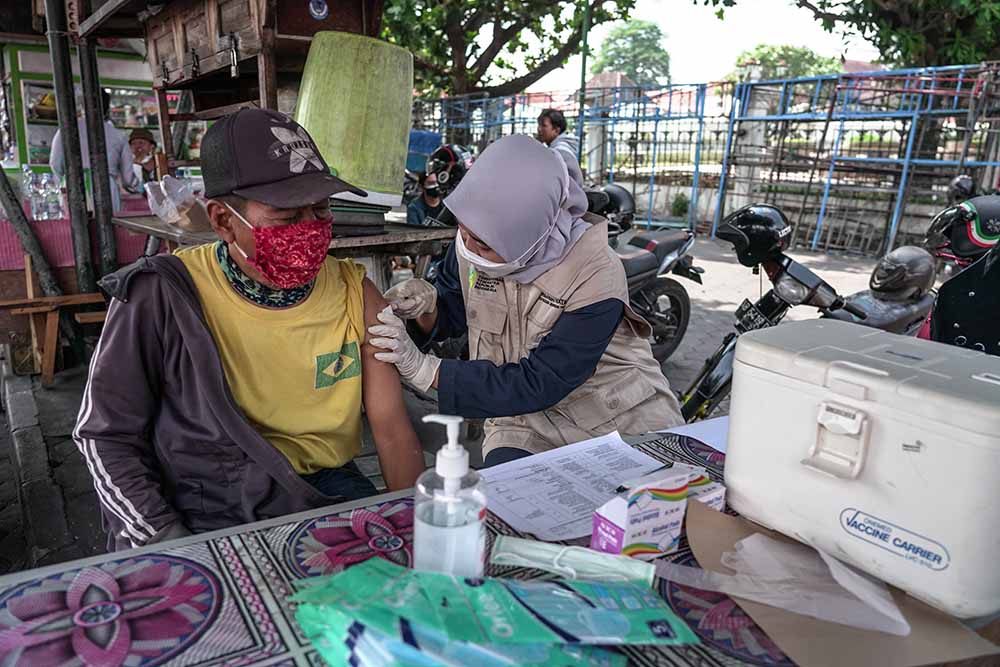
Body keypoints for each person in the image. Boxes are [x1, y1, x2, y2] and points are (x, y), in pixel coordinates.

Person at [74, 109, 425, 550]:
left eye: (320, 209)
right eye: (285, 215)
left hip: (322, 488)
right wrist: (166, 538)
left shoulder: (355, 290)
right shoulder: (163, 295)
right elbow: (105, 435)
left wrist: (413, 528)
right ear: (222, 220)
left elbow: (391, 429)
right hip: (204, 500)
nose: (310, 229)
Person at [370, 135, 683, 466]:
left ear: (529, 234)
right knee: (509, 503)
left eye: (483, 243)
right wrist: (427, 307)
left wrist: (426, 370)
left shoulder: (595, 273)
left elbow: (543, 380)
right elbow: (455, 309)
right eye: (463, 230)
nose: (468, 246)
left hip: (614, 421)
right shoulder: (476, 236)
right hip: (520, 423)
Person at [50, 89, 138, 212]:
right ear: (107, 109)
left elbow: (55, 164)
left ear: (82, 107)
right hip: (107, 188)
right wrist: (137, 187)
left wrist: (67, 179)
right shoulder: (118, 135)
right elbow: (128, 179)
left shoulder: (66, 130)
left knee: (77, 228)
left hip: (75, 186)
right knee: (109, 228)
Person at [537, 108, 584, 187]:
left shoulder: (560, 151)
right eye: (539, 125)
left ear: (556, 130)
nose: (539, 129)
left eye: (544, 126)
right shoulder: (559, 147)